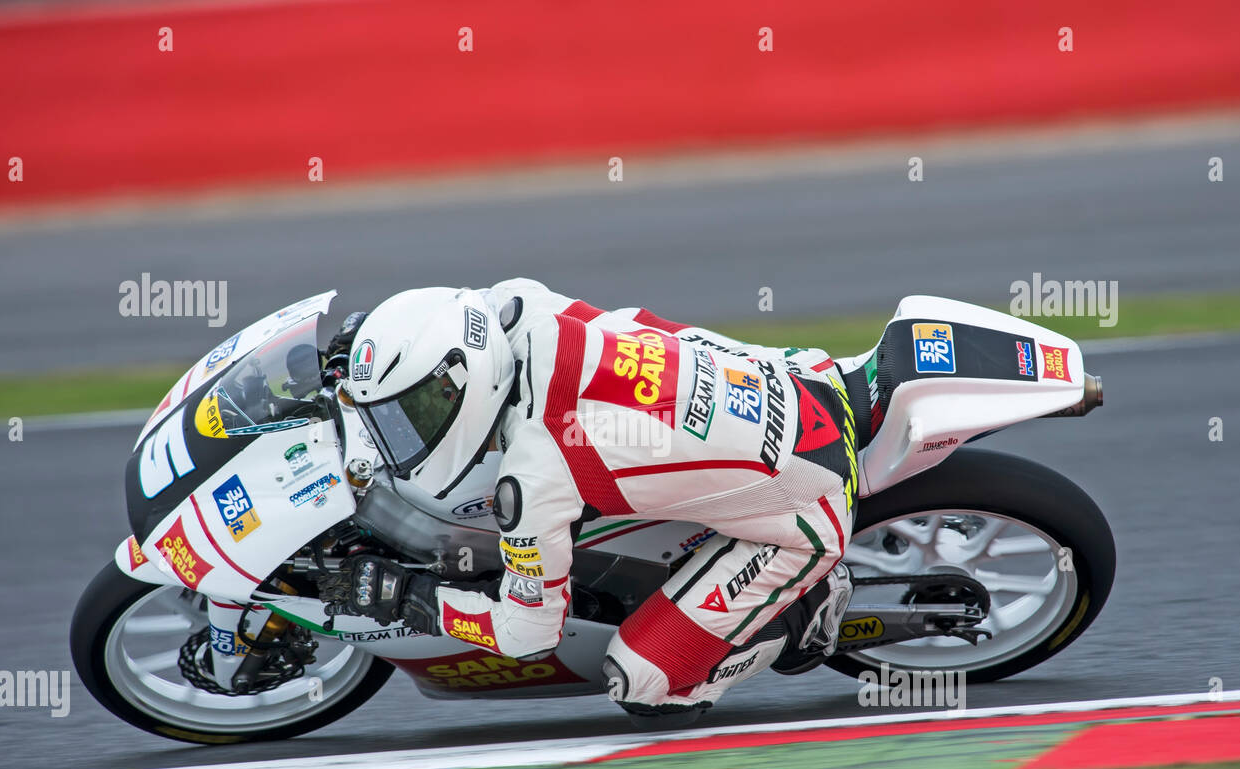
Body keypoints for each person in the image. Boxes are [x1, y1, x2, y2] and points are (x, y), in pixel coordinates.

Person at [342, 278, 864, 726]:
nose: (402, 432)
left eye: (413, 412)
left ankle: (801, 616)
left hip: (809, 500)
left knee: (639, 685)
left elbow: (528, 634)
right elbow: (443, 317)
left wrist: (416, 600)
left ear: (463, 383)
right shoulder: (518, 307)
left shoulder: (536, 475)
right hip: (801, 378)